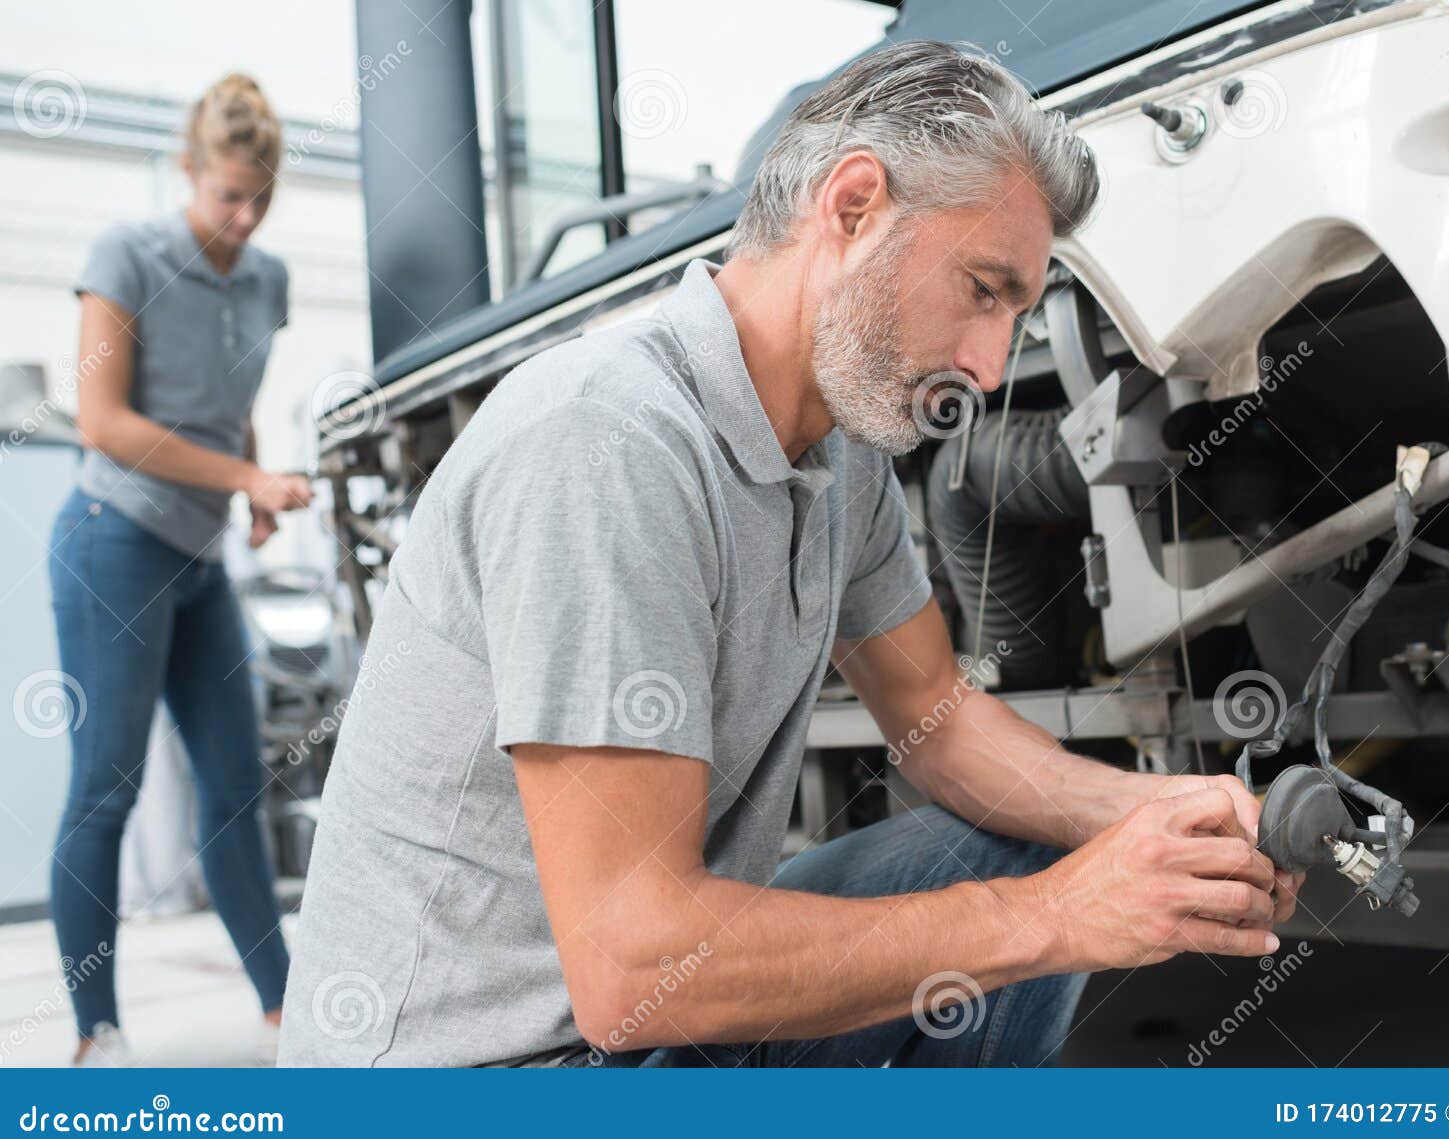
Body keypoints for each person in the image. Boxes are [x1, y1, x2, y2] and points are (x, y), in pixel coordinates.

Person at [279, 41, 1303, 1068]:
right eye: (982, 290)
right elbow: (631, 970)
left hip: (626, 1043)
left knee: (1026, 840)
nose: (990, 366)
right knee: (1030, 899)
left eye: (1018, 313)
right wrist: (1059, 915)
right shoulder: (607, 439)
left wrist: (1154, 822)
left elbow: (939, 727)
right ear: (853, 207)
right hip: (485, 1073)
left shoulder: (838, 454)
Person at [48, 73, 311, 1066]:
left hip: (198, 557)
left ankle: (289, 1013)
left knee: (236, 789)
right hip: (113, 540)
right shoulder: (127, 254)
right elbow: (103, 422)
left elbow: (228, 396)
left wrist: (245, 489)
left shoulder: (266, 277)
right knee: (104, 786)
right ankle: (96, 1031)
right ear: (187, 172)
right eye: (226, 197)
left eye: (260, 199)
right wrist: (246, 471)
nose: (242, 220)